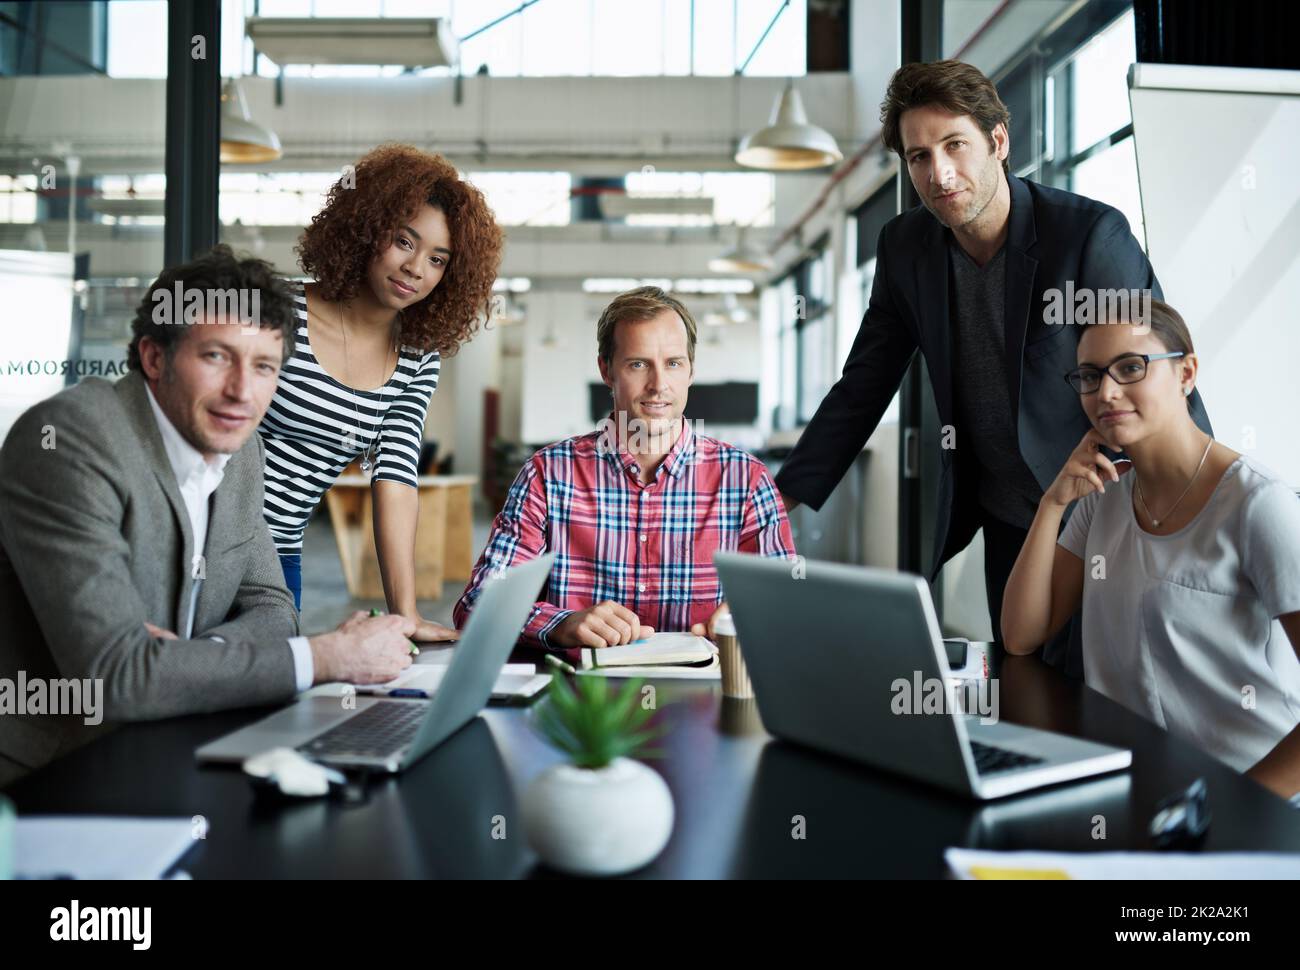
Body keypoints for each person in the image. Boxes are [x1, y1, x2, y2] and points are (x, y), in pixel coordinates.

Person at [772, 59, 1211, 675]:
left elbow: (1151, 381)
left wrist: (1194, 516)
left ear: (998, 142)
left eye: (955, 145)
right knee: (1024, 684)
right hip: (1010, 521)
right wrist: (775, 498)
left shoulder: (1088, 237)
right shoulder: (906, 249)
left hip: (1105, 515)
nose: (939, 174)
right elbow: (861, 388)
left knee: (1120, 694)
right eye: (919, 157)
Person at [0, 246, 417, 784]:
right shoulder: (71, 441)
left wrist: (194, 660)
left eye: (264, 366)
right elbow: (117, 678)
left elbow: (273, 608)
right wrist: (326, 657)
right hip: (43, 775)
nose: (242, 392)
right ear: (155, 358)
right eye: (217, 357)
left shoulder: (241, 452)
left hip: (165, 743)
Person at [1001, 301, 1300, 801]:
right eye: (1091, 376)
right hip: (1135, 792)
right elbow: (1020, 636)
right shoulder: (1106, 497)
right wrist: (1053, 503)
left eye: (1131, 367)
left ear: (1187, 372)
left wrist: (1231, 811)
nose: (1107, 392)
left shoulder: (1258, 505)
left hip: (1248, 804)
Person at [453, 286, 795, 649]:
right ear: (606, 369)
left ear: (691, 371)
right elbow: (479, 604)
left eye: (673, 364)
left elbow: (785, 599)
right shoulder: (547, 475)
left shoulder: (745, 479)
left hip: (701, 694)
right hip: (582, 699)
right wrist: (560, 624)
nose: (658, 385)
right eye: (638, 364)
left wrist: (746, 614)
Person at [259, 144, 503, 640]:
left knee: (263, 698)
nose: (416, 268)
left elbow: (394, 472)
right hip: (194, 541)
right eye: (404, 241)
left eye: (438, 259)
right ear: (366, 229)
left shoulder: (416, 356)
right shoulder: (277, 308)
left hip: (276, 559)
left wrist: (405, 614)